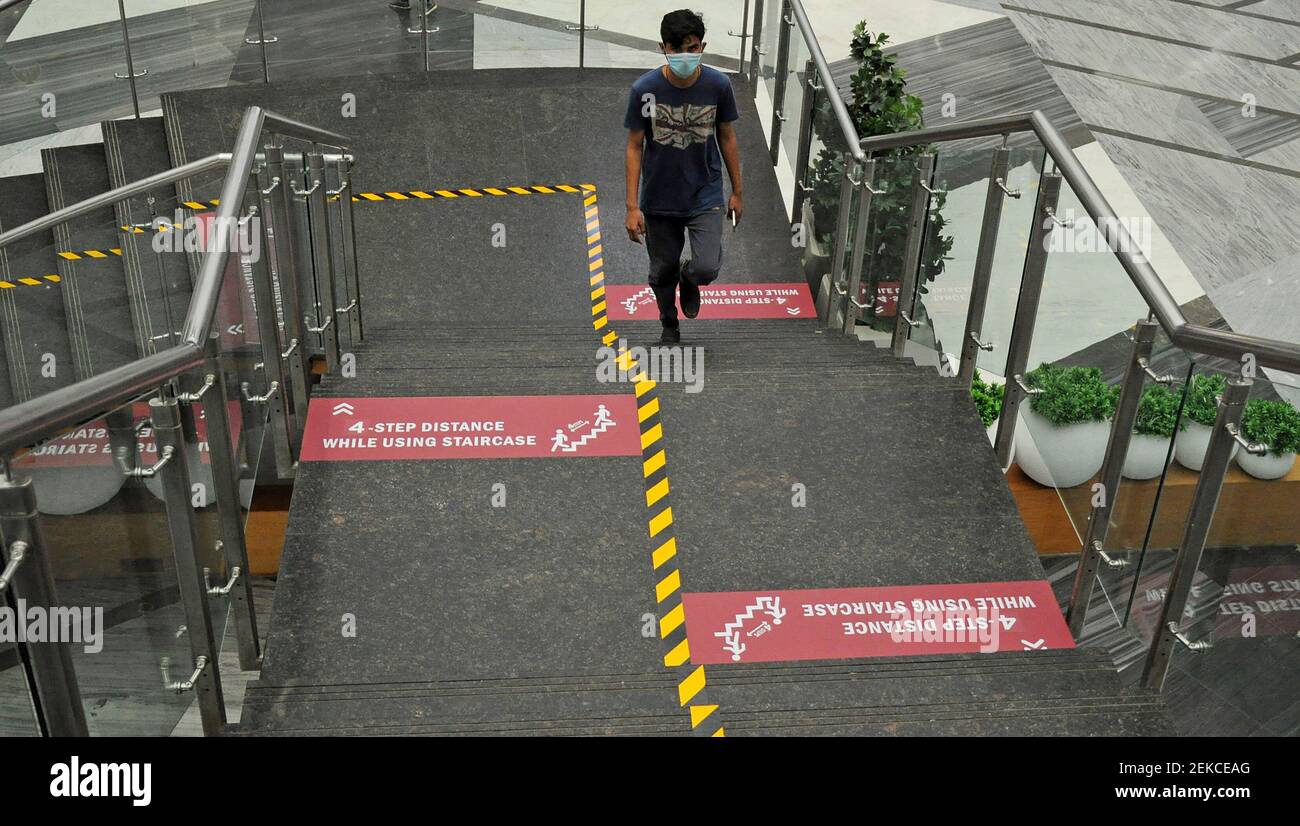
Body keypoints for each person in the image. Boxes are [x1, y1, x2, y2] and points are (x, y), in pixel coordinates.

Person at [623, 9, 743, 344]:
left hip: (705, 194)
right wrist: (632, 207)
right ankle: (668, 321)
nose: (684, 57)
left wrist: (738, 191)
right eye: (676, 50)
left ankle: (689, 280)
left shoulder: (718, 85)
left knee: (707, 266)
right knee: (661, 270)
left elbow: (727, 136)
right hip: (659, 199)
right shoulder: (644, 90)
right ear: (663, 47)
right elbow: (634, 146)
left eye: (692, 48)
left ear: (702, 45)